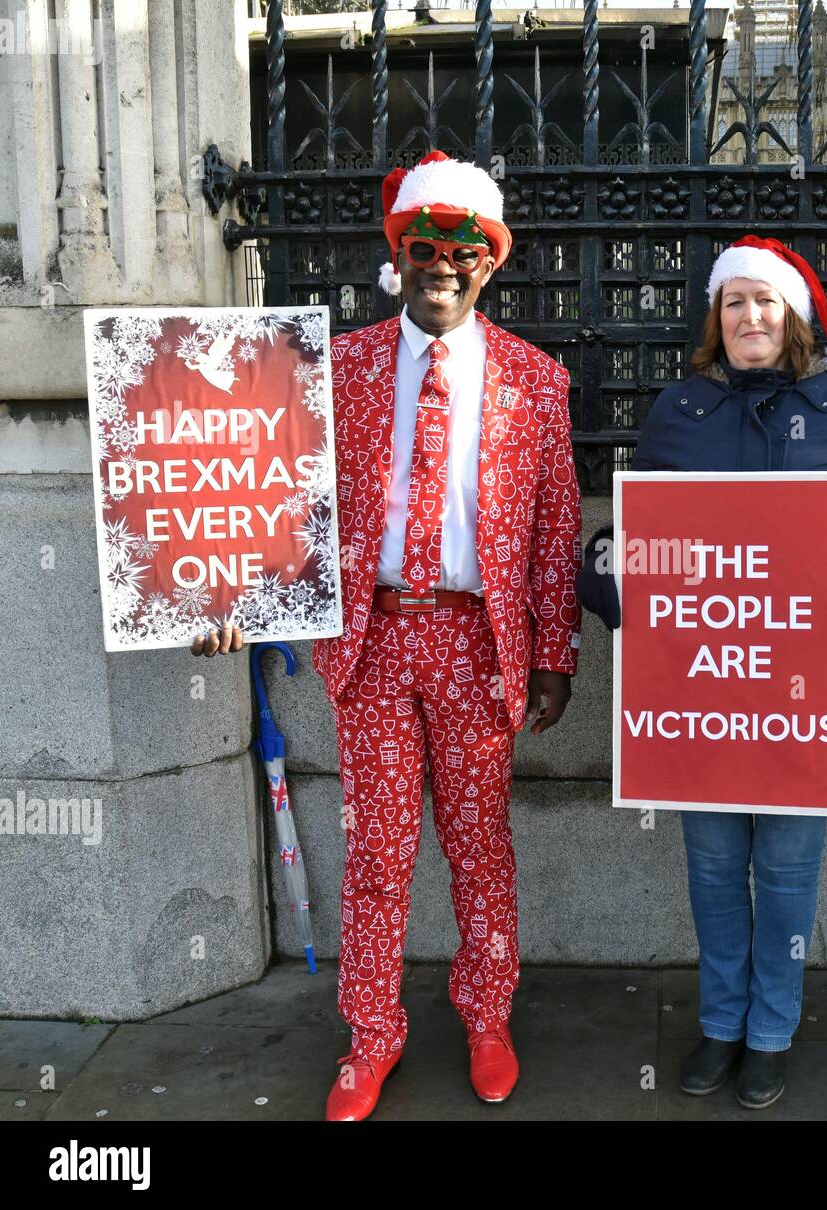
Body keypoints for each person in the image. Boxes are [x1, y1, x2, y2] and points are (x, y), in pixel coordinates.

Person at [198, 149, 582, 1119]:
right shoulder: (337, 369)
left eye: (467, 248)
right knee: (375, 852)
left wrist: (553, 657)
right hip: (370, 641)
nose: (443, 264)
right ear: (399, 253)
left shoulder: (535, 382)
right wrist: (228, 596)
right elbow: (276, 497)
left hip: (473, 645)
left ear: (491, 261)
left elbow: (552, 532)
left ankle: (486, 1013)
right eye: (425, 245)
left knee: (480, 845)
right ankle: (371, 1034)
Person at [580, 235, 827, 1109]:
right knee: (710, 865)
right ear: (716, 320)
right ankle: (720, 1021)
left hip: (808, 688)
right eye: (733, 303)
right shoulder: (680, 409)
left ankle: (772, 1028)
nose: (748, 317)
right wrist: (608, 564)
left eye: (764, 301)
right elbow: (639, 526)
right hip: (701, 689)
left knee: (787, 870)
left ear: (794, 316)